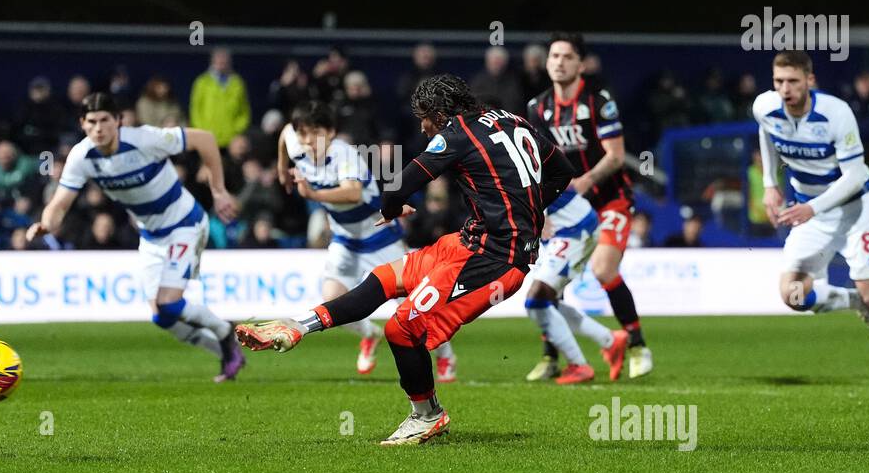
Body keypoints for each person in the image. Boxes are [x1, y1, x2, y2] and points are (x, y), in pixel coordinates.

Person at [237, 74, 574, 445]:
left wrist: (393, 206)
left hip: (496, 259)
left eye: (424, 118)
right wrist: (529, 212)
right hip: (470, 241)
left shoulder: (458, 131)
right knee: (382, 279)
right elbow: (563, 170)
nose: (422, 127)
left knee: (401, 328)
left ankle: (427, 415)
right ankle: (298, 326)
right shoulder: (511, 120)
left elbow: (398, 184)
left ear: (439, 113)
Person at [28, 93, 246, 382]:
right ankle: (226, 352)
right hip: (151, 236)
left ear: (118, 121)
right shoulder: (81, 157)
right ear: (82, 124)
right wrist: (46, 223)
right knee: (163, 317)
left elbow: (204, 139)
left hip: (185, 223)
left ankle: (225, 332)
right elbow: (59, 204)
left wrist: (218, 192)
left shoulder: (145, 139)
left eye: (105, 120)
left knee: (169, 302)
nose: (99, 128)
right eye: (91, 121)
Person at [753, 51, 869, 389]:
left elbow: (856, 175)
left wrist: (812, 208)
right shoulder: (764, 107)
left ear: (810, 81)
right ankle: (856, 301)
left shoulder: (836, 114)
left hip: (854, 209)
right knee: (793, 294)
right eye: (779, 81)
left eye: (793, 81)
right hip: (809, 211)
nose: (785, 89)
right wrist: (771, 184)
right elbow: (766, 134)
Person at [278, 101, 458, 380]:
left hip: (379, 236)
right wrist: (282, 171)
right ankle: (370, 334)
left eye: (315, 133)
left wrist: (312, 195)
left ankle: (446, 357)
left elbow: (352, 193)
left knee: (413, 306)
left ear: (331, 132)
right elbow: (285, 133)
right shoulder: (298, 146)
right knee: (331, 299)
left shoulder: (345, 155)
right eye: (303, 134)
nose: (307, 141)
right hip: (345, 238)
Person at [525, 33, 654, 378]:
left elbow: (615, 157)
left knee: (602, 270)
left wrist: (583, 182)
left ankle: (638, 345)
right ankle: (551, 357)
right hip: (566, 209)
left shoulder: (599, 103)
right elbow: (537, 166)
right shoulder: (537, 109)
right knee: (551, 283)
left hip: (608, 200)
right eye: (554, 56)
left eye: (567, 57)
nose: (559, 62)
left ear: (580, 64)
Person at [521, 185, 627, 385]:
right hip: (560, 231)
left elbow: (539, 175)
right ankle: (610, 340)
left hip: (574, 229)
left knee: (537, 299)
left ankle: (579, 365)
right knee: (542, 302)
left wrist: (539, 212)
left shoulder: (519, 156)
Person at [189, 47, 251, 149]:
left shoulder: (238, 83)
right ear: (212, 62)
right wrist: (202, 130)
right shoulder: (202, 82)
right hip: (208, 138)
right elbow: (195, 109)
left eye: (224, 61)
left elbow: (244, 110)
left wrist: (236, 130)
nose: (221, 64)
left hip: (232, 139)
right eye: (218, 61)